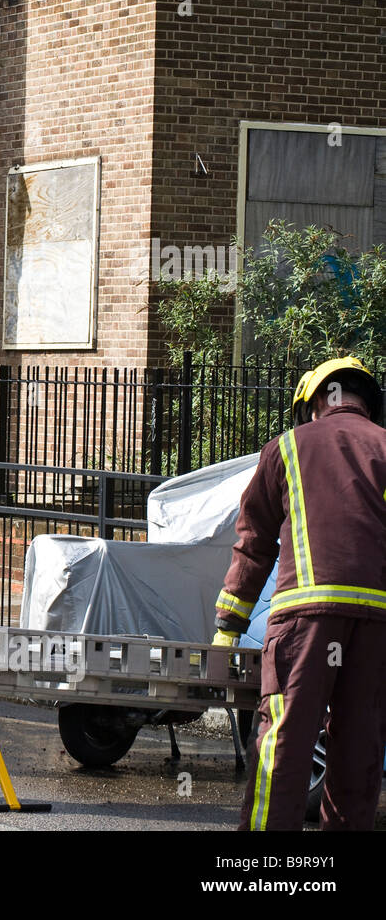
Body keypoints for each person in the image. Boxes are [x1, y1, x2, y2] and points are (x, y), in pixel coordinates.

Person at [212, 356, 386, 830]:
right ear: (368, 402)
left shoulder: (286, 448)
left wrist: (229, 627)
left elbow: (254, 544)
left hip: (305, 621)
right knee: (359, 748)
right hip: (376, 625)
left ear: (313, 402)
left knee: (285, 744)